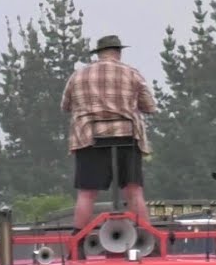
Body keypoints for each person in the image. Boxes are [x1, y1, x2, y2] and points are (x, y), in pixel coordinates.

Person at [61, 35, 156, 230]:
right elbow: (149, 106)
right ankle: (147, 239)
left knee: (87, 193)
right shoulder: (132, 73)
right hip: (127, 137)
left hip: (89, 138)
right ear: (118, 52)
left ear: (98, 53)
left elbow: (66, 106)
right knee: (133, 191)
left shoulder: (78, 76)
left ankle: (78, 243)